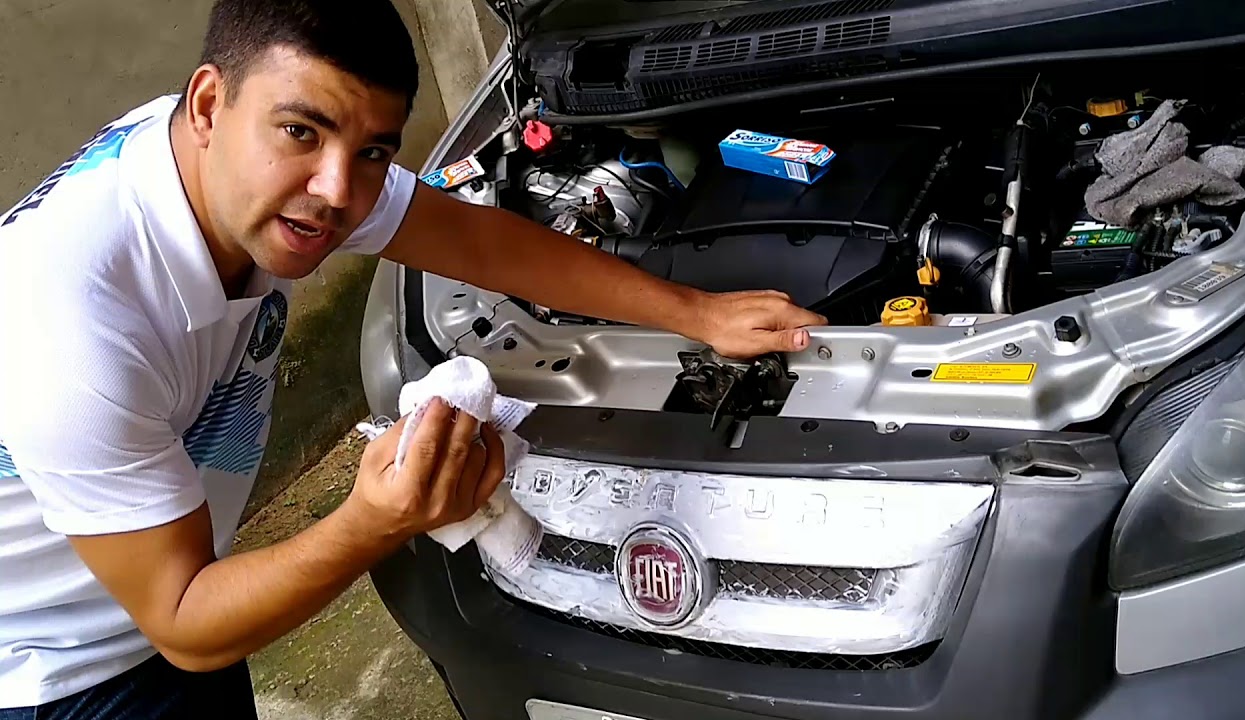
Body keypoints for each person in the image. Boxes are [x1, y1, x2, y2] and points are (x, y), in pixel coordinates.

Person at [0, 0, 826, 717]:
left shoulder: (241, 161)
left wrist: (698, 313)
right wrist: (374, 520)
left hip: (157, 594)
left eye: (373, 151)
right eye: (302, 131)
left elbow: (474, 239)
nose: (337, 192)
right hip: (63, 670)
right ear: (210, 103)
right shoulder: (70, 328)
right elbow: (186, 623)